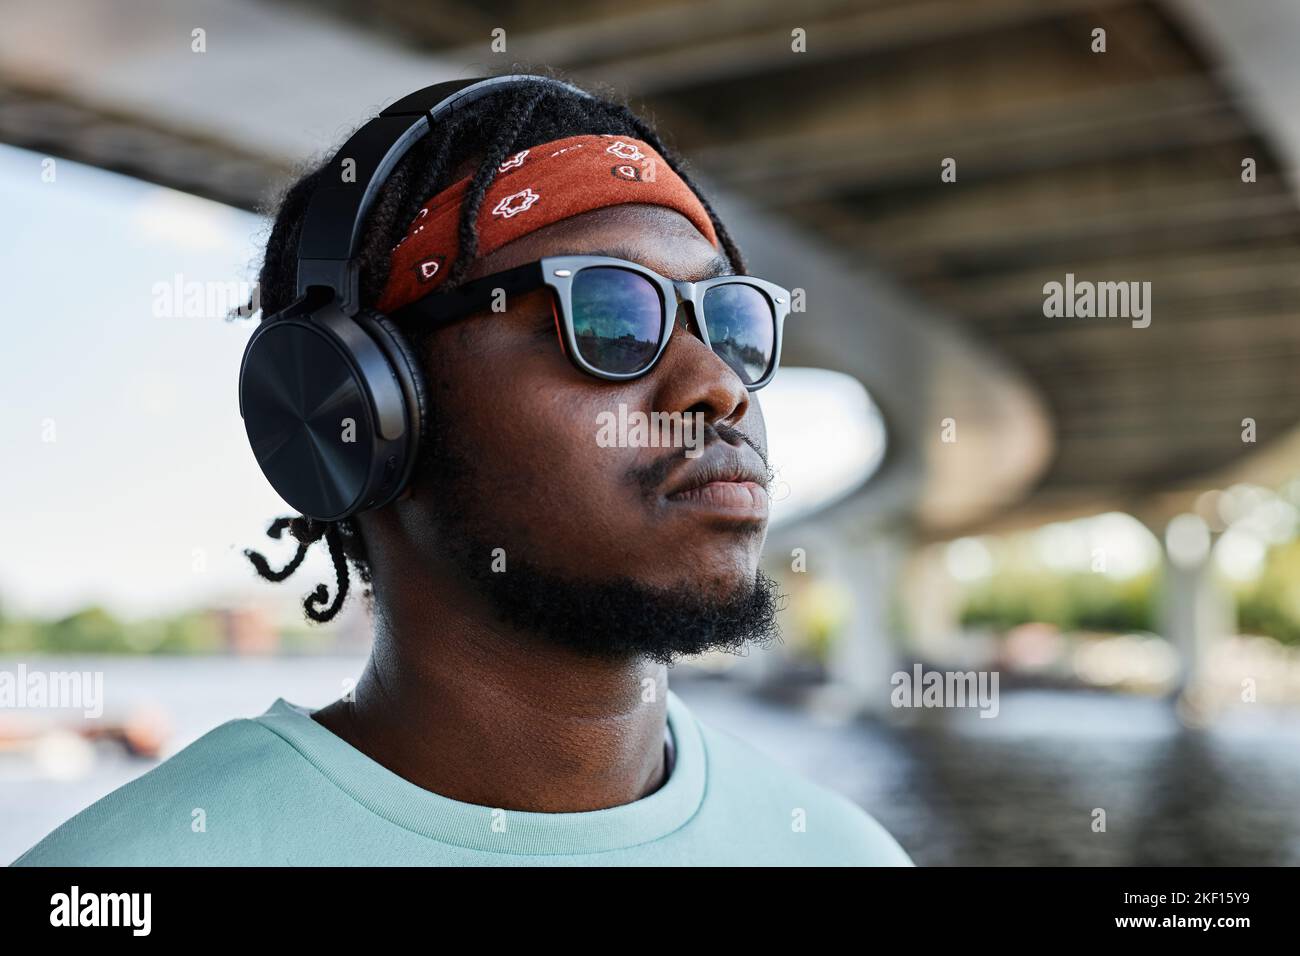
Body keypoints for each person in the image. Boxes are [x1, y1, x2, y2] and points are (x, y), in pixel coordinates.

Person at [14, 74, 912, 866]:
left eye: (730, 321)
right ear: (360, 409)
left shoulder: (844, 853)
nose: (718, 386)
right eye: (607, 318)